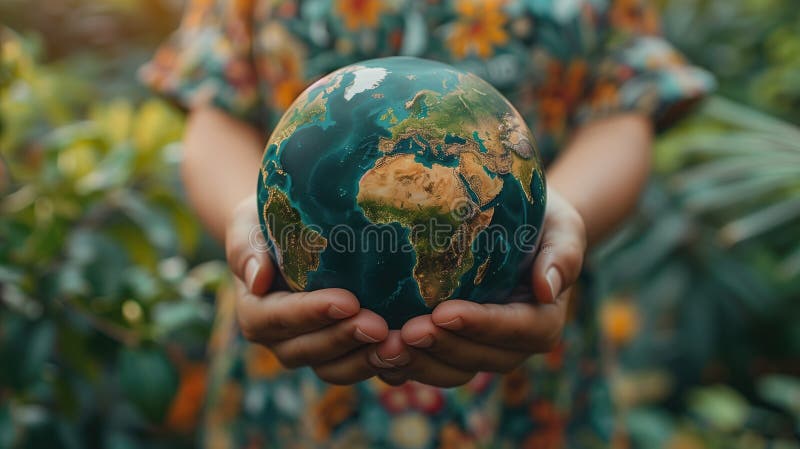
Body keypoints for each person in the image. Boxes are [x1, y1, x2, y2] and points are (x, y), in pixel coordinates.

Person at [142, 0, 714, 447]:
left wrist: (563, 213)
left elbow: (624, 105)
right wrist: (253, 232)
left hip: (519, 323)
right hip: (294, 337)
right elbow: (216, 108)